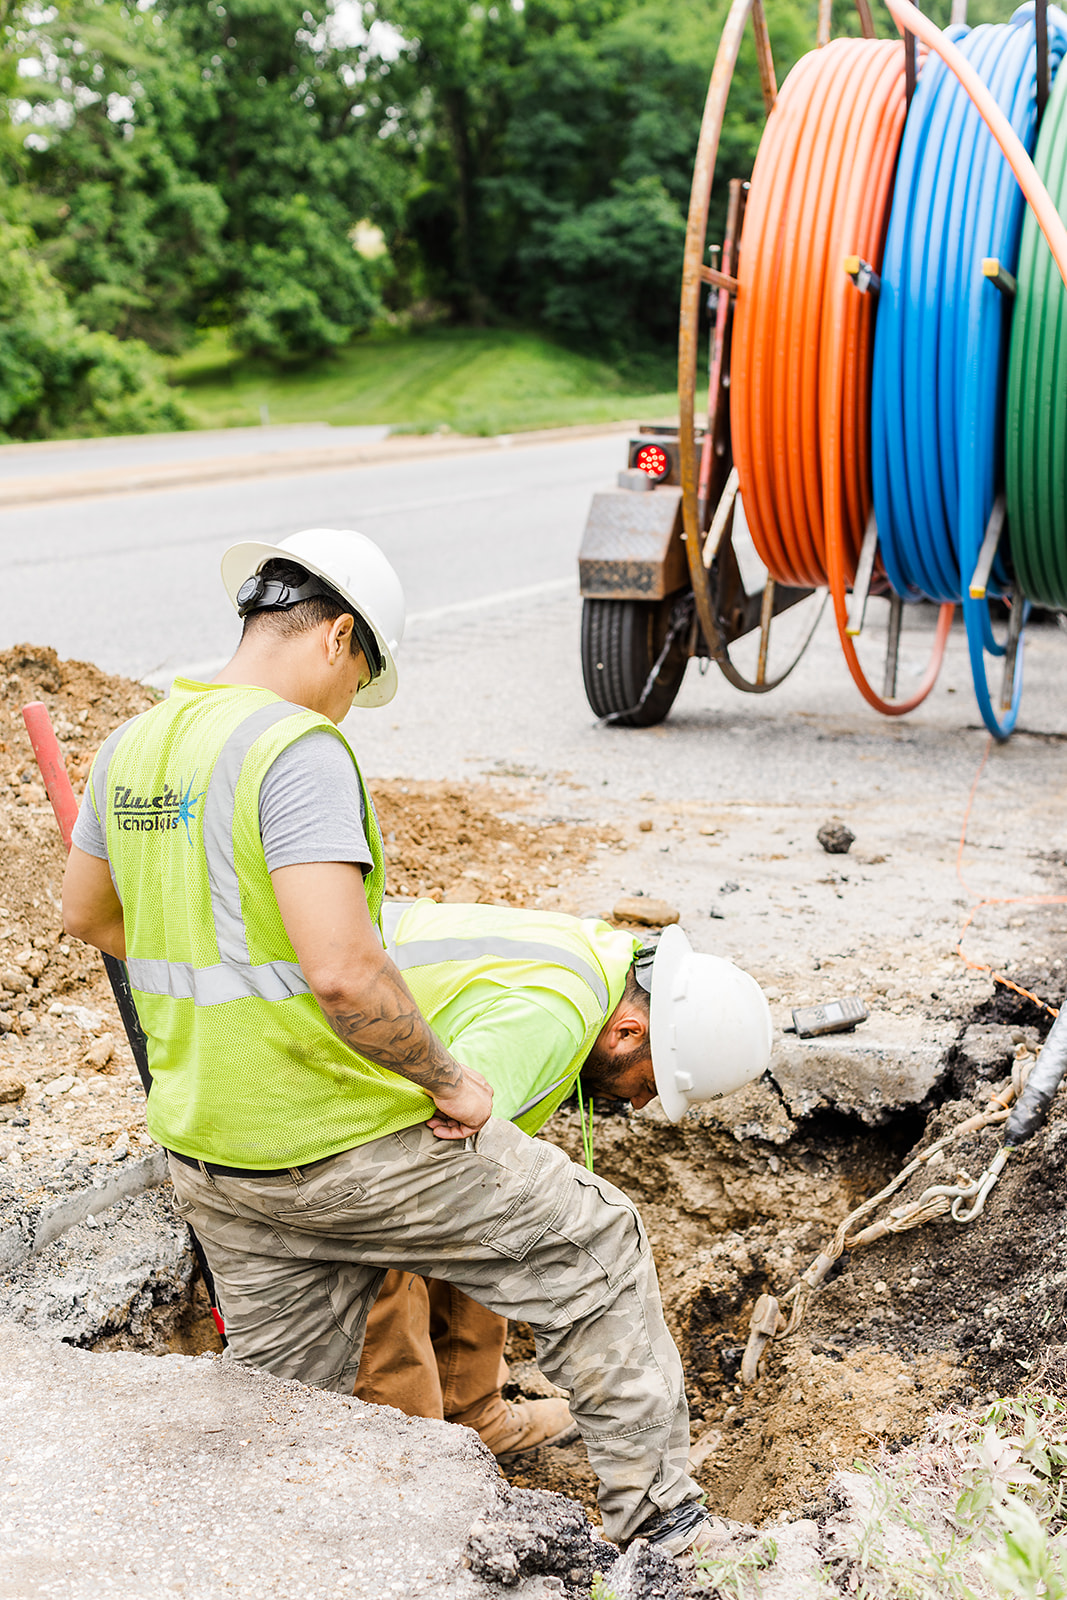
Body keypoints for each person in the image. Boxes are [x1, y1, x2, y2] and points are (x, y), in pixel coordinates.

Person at [61, 526, 763, 1558]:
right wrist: (447, 1079)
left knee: (286, 1413)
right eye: (361, 680)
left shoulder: (133, 745)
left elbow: (89, 917)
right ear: (339, 635)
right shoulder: (293, 749)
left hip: (211, 1150)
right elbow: (345, 969)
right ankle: (667, 1536)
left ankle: (286, 1563)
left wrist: (229, 986)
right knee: (595, 1242)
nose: (349, 706)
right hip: (335, 1135)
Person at [354, 900, 773, 1462]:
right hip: (317, 1122)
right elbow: (405, 1165)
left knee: (487, 1193)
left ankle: (471, 1415)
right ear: (628, 1031)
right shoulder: (547, 1019)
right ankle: (414, 1461)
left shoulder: (604, 967)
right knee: (398, 1244)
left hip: (373, 1091)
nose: (642, 1103)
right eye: (649, 1082)